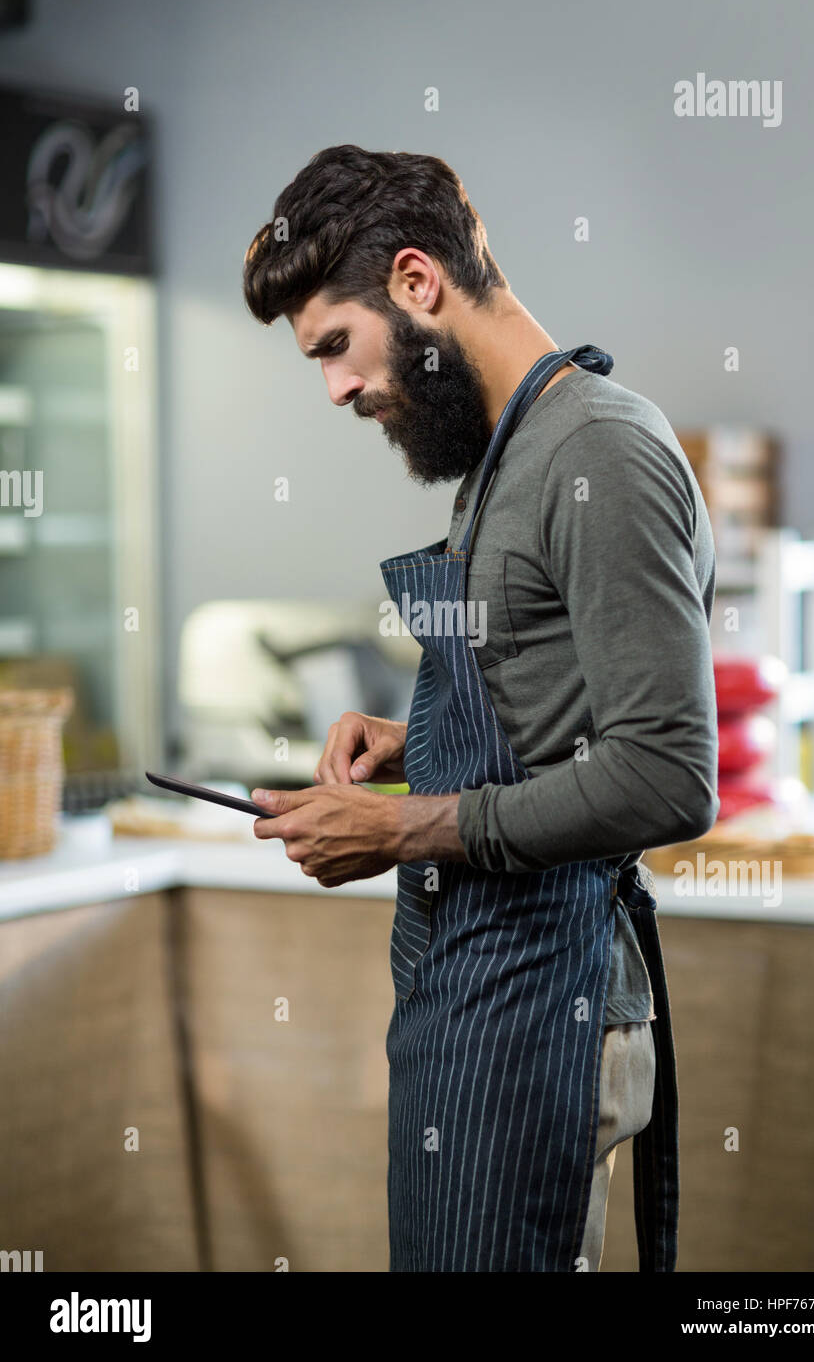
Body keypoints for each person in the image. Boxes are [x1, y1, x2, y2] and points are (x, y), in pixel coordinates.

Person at [242, 145, 719, 1272]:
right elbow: (556, 716)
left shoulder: (596, 450)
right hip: (471, 995)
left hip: (540, 1014)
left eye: (333, 349)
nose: (338, 390)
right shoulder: (501, 459)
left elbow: (664, 773)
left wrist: (402, 827)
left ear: (416, 284)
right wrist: (413, 749)